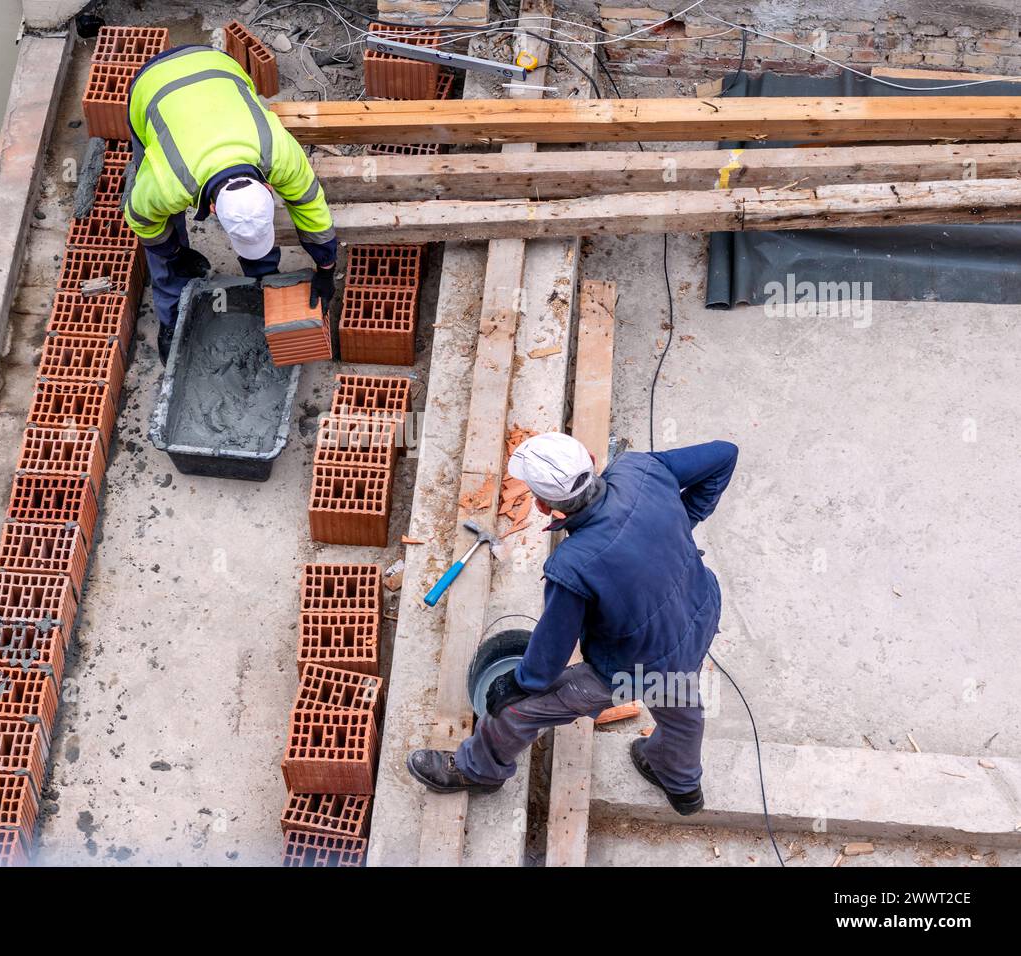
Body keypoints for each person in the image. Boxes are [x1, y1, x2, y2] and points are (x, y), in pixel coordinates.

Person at [406, 432, 739, 816]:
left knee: (518, 712)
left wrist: (514, 685)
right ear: (593, 458)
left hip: (634, 666)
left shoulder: (573, 565)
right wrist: (684, 517)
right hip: (698, 615)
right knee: (680, 700)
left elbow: (550, 654)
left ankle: (478, 769)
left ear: (545, 505)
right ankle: (683, 787)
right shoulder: (640, 469)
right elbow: (723, 455)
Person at [123, 45, 337, 362]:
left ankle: (263, 282)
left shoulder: (279, 153)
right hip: (151, 89)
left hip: (219, 67)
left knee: (248, 240)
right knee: (165, 230)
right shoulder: (168, 183)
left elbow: (310, 206)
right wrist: (174, 253)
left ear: (267, 186)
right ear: (212, 209)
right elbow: (141, 219)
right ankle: (172, 318)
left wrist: (326, 266)